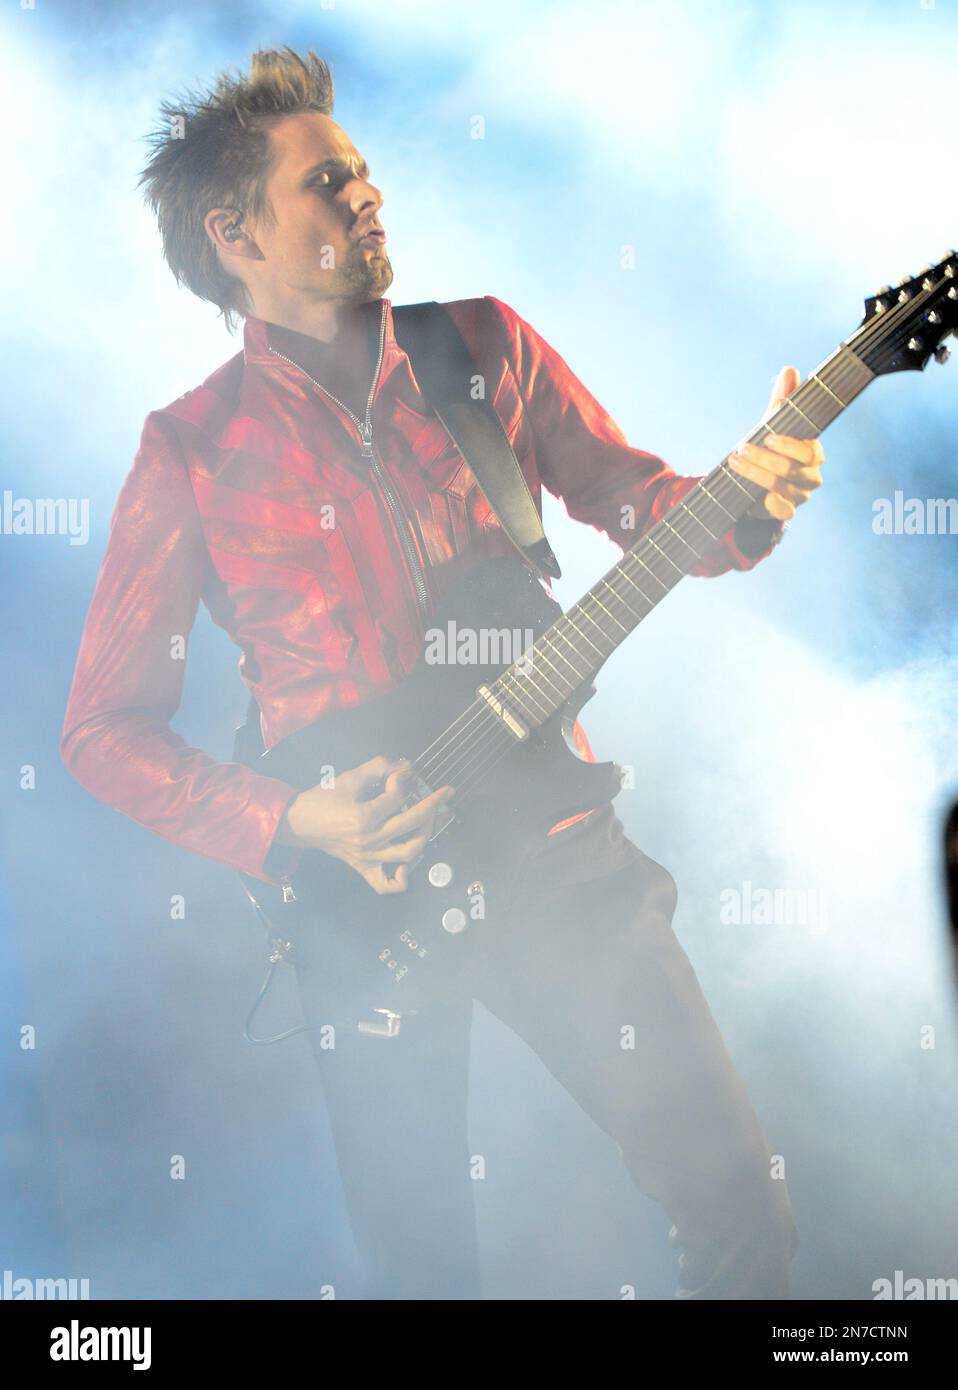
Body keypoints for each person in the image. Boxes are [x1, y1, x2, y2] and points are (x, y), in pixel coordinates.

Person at [61, 47, 825, 1299]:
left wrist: (746, 499)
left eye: (364, 172)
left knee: (743, 1213)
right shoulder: (189, 448)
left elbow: (638, 502)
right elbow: (102, 731)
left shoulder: (481, 344)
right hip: (365, 907)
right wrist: (292, 817)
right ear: (233, 229)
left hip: (556, 846)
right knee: (425, 1276)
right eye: (327, 182)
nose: (367, 196)